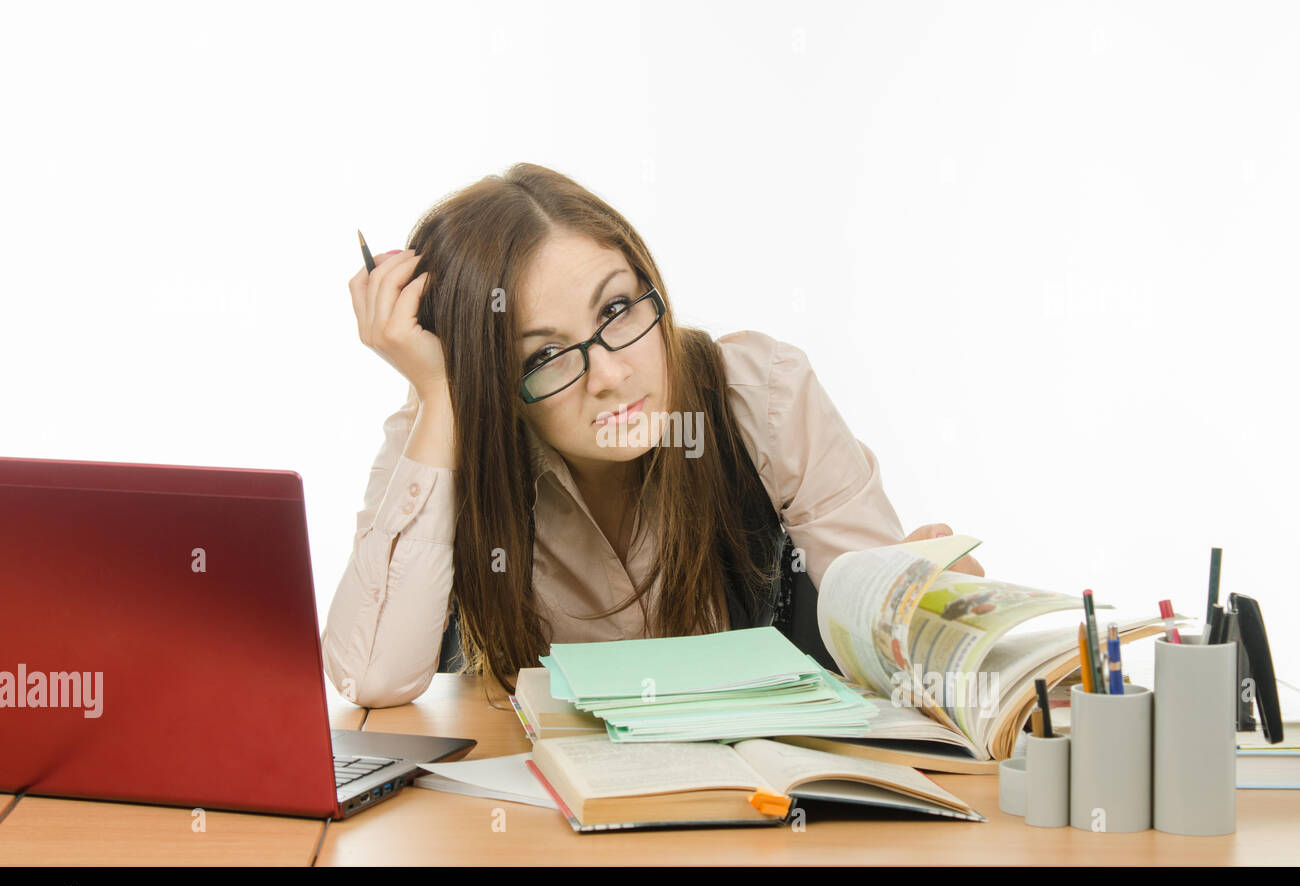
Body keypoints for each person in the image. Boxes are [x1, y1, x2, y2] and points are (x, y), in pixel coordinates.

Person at [322, 163, 984, 708]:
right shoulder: (444, 430)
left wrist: (924, 612)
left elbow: (884, 636)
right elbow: (374, 679)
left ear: (648, 284)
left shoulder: (761, 396)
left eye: (616, 309)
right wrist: (441, 397)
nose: (609, 375)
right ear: (495, 386)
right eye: (543, 358)